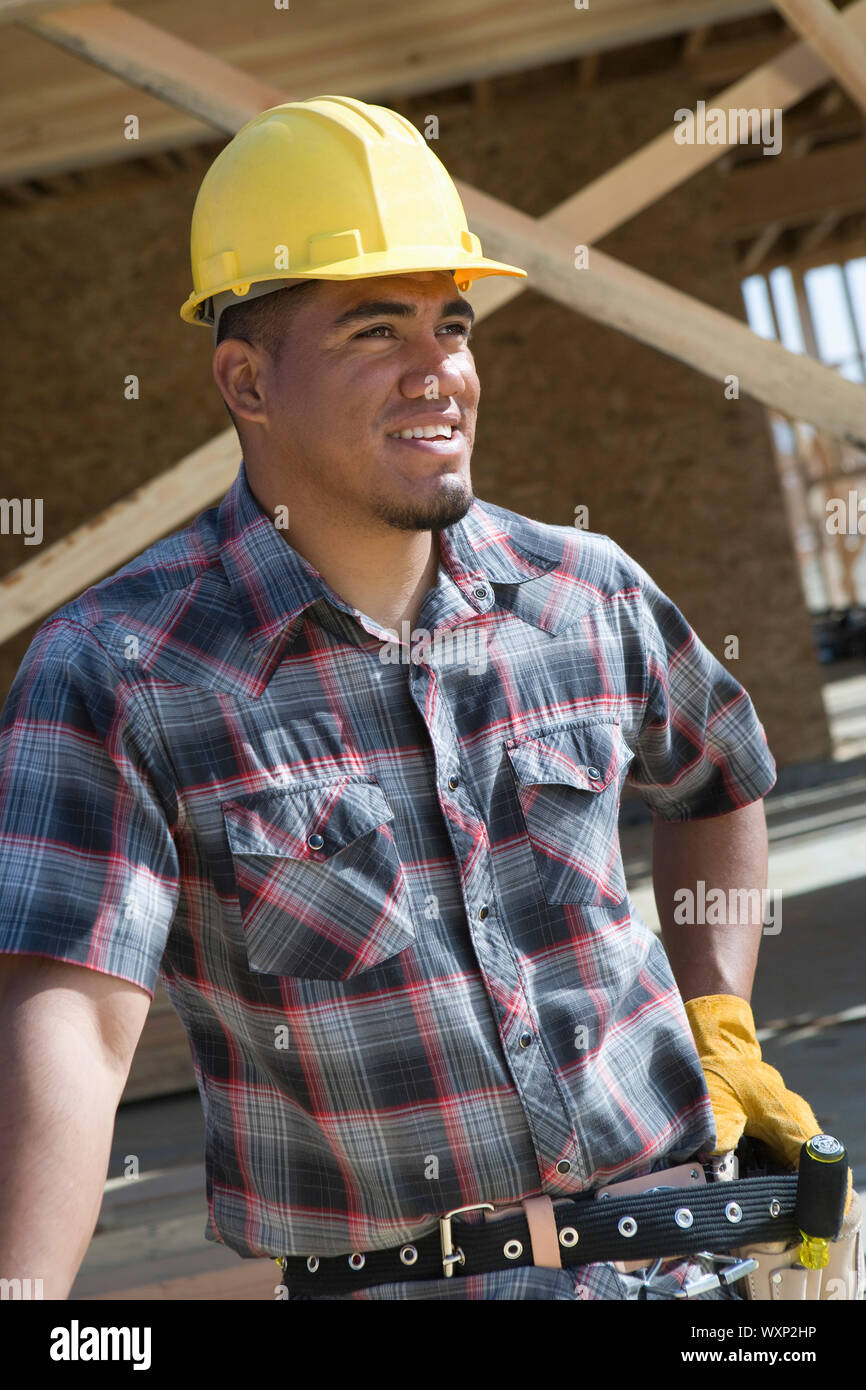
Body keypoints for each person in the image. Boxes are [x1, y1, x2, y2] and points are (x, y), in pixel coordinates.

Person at [0, 95, 831, 1302]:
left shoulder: (581, 592)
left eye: (453, 322)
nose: (436, 368)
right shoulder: (124, 669)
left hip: (686, 1270)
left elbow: (720, 777)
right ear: (245, 380)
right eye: (373, 331)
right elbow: (71, 1021)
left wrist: (720, 1024)